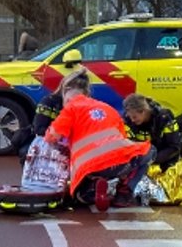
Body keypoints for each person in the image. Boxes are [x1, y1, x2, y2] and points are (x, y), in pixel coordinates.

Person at [44, 79, 153, 211]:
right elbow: (124, 138)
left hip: (86, 169)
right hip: (116, 165)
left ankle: (90, 189)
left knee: (78, 198)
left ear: (67, 96)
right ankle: (124, 192)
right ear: (86, 94)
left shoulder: (71, 108)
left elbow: (51, 137)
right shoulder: (108, 108)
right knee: (150, 150)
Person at [12, 50, 85, 164]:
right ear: (64, 91)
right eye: (70, 100)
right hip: (49, 144)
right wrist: (62, 137)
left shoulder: (87, 106)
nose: (74, 103)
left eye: (79, 99)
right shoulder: (49, 103)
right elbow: (39, 129)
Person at [122, 94, 182, 171]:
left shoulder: (164, 118)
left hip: (166, 158)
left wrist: (152, 159)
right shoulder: (128, 120)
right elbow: (127, 144)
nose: (132, 120)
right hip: (142, 159)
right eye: (129, 116)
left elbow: (174, 147)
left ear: (143, 111)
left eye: (134, 117)